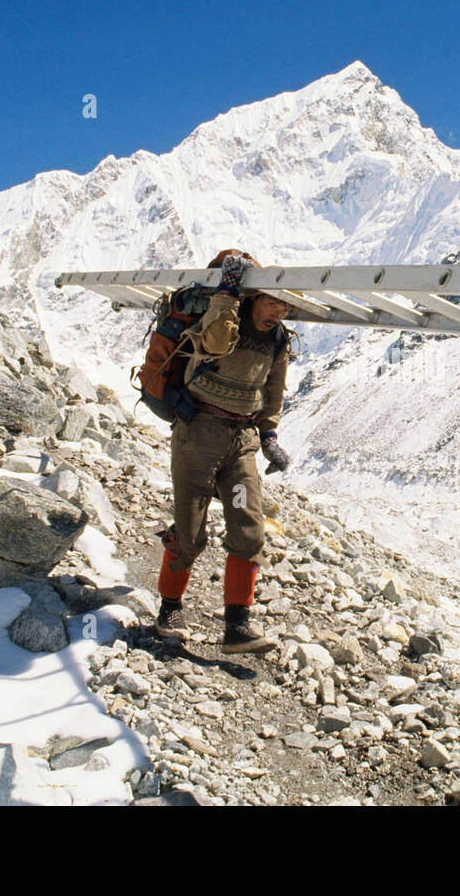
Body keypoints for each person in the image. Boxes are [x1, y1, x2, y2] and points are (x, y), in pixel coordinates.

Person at [154, 250, 293, 653]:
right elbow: (214, 344)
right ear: (254, 299)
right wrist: (228, 293)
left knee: (249, 529)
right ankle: (169, 609)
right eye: (271, 301)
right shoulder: (223, 317)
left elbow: (274, 389)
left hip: (241, 442)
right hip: (199, 433)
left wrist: (269, 436)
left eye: (285, 304)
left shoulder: (279, 338)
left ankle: (237, 626)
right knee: (190, 531)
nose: (278, 311)